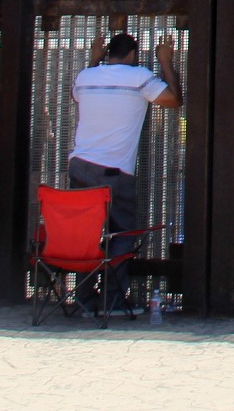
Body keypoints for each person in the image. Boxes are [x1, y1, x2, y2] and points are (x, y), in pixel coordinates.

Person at [68, 30, 182, 316]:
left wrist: (93, 59)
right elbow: (173, 100)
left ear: (108, 54)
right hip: (114, 171)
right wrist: (166, 61)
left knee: (85, 233)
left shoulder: (85, 76)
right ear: (132, 55)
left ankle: (84, 298)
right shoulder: (139, 77)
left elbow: (76, 97)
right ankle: (113, 301)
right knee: (121, 234)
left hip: (80, 165)